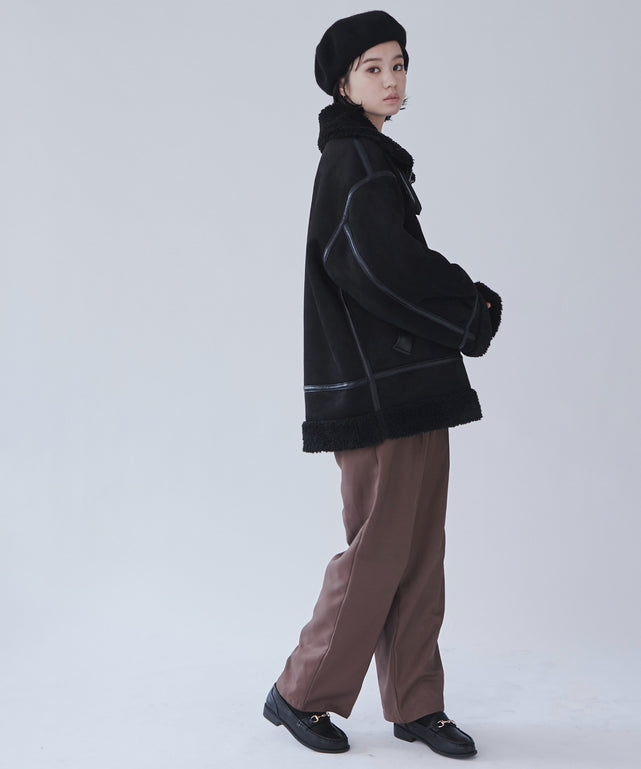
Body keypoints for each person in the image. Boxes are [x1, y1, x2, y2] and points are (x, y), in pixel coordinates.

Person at [263, 10, 502, 758]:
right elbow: (375, 267)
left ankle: (416, 704)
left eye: (398, 65)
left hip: (409, 384)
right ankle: (300, 690)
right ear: (342, 83)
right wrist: (469, 305)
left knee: (418, 552)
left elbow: (381, 266)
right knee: (378, 552)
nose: (392, 79)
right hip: (379, 391)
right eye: (373, 68)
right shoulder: (353, 161)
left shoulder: (373, 157)